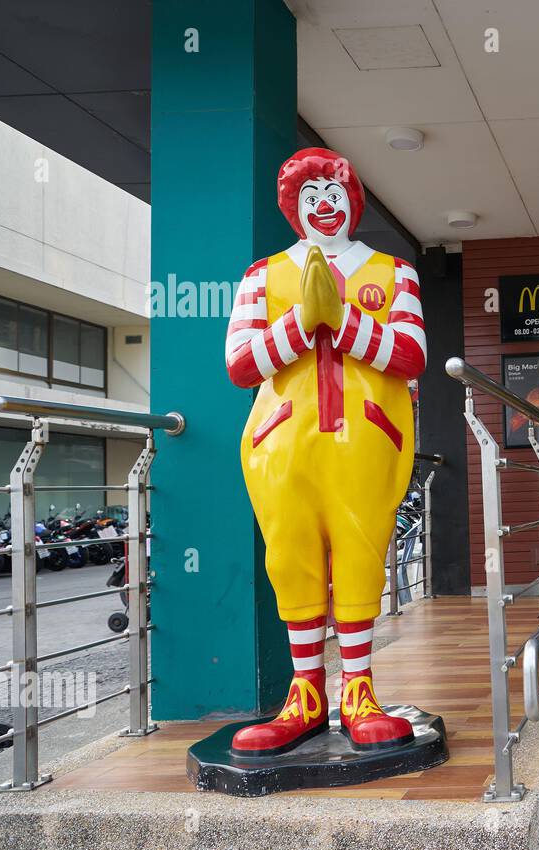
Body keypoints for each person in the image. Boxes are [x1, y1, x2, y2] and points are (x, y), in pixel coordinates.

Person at [224, 148, 426, 755]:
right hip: (282, 443)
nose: (326, 204)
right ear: (295, 209)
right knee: (292, 559)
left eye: (335, 192)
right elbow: (239, 364)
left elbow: (411, 354)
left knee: (361, 555)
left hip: (365, 441)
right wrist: (299, 324)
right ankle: (307, 693)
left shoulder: (396, 273)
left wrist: (340, 322)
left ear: (353, 201)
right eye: (311, 196)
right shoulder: (263, 275)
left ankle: (359, 689)